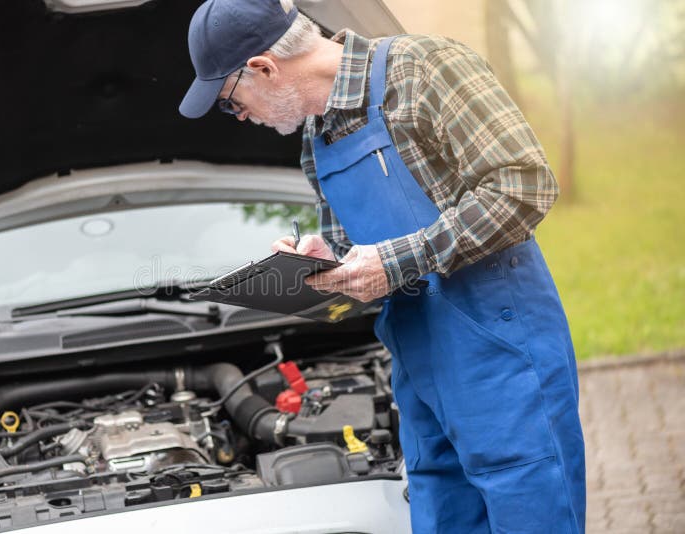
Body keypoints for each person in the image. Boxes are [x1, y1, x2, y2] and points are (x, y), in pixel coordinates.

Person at [179, 1, 586, 532]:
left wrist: (395, 263)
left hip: (503, 360)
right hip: (419, 373)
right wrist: (327, 266)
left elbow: (523, 185)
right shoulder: (315, 139)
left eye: (232, 103)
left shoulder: (424, 69)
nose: (242, 118)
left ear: (263, 68)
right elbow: (362, 259)